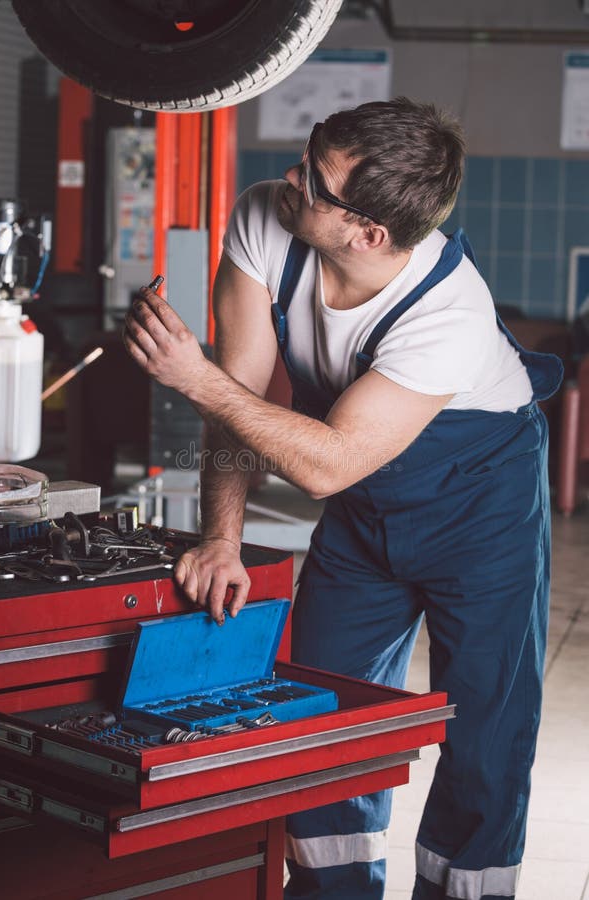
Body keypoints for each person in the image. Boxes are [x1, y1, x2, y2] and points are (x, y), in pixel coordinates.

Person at [123, 97, 563, 900]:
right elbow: (239, 397)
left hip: (481, 504)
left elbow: (321, 467)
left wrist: (193, 376)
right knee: (317, 703)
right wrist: (221, 538)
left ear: (369, 234)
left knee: (487, 729)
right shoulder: (266, 218)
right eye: (308, 154)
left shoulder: (449, 316)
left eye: (315, 181)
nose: (291, 177)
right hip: (364, 503)